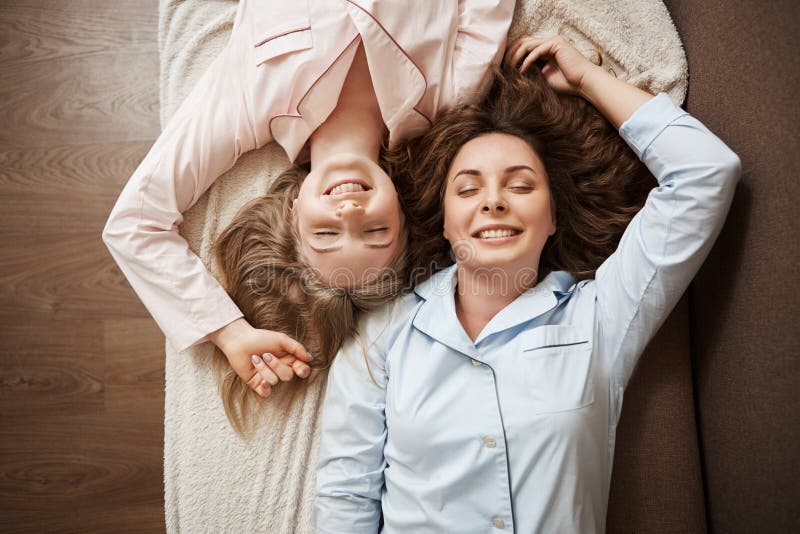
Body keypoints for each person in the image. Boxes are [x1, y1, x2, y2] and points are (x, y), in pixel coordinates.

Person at [314, 35, 741, 532]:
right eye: (468, 189)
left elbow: (707, 172)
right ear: (446, 222)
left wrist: (586, 81)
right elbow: (344, 497)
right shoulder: (380, 338)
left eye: (520, 186)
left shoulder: (600, 318)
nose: (494, 202)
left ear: (554, 216)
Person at [101, 0, 515, 408]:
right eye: (375, 231)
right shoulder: (451, 96)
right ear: (402, 214)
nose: (351, 213)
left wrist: (230, 333)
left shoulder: (249, 102)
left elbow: (135, 223)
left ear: (293, 212)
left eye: (325, 234)